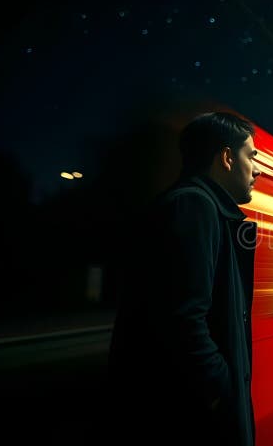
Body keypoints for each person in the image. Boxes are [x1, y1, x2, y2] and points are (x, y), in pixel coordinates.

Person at [108, 112, 261, 446]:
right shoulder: (193, 205)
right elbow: (183, 319)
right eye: (251, 156)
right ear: (226, 157)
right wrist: (220, 390)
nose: (257, 170)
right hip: (192, 420)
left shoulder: (202, 207)